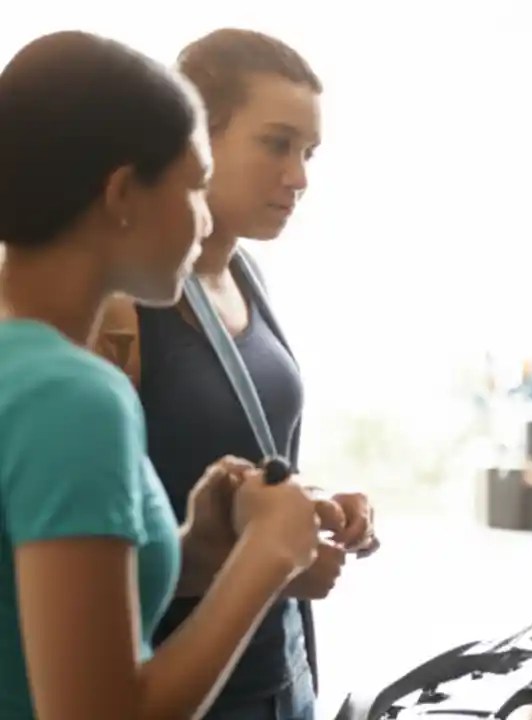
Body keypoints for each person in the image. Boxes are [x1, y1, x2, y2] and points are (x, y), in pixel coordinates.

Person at [0, 30, 322, 719]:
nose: (205, 217)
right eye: (196, 185)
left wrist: (194, 551)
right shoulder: (73, 396)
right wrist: (265, 559)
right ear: (123, 194)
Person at [92, 28, 379, 720]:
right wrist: (265, 560)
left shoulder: (246, 277)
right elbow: (95, 551)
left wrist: (310, 506)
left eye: (308, 153)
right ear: (196, 138)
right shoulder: (119, 310)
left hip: (277, 670)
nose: (300, 177)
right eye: (276, 144)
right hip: (177, 677)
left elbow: (232, 461)